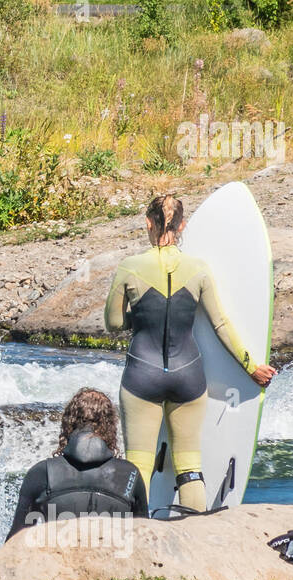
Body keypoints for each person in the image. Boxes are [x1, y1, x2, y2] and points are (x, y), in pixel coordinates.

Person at [104, 194, 276, 512]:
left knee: (138, 466)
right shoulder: (198, 269)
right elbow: (221, 324)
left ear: (148, 223)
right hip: (189, 375)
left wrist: (138, 318)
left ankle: (136, 539)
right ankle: (194, 536)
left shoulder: (130, 267)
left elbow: (113, 323)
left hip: (142, 375)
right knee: (189, 466)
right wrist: (251, 367)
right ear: (183, 225)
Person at [6, 388, 147, 540]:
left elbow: (16, 539)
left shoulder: (42, 472)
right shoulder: (130, 473)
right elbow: (143, 538)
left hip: (59, 560)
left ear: (68, 424)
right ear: (111, 426)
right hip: (113, 559)